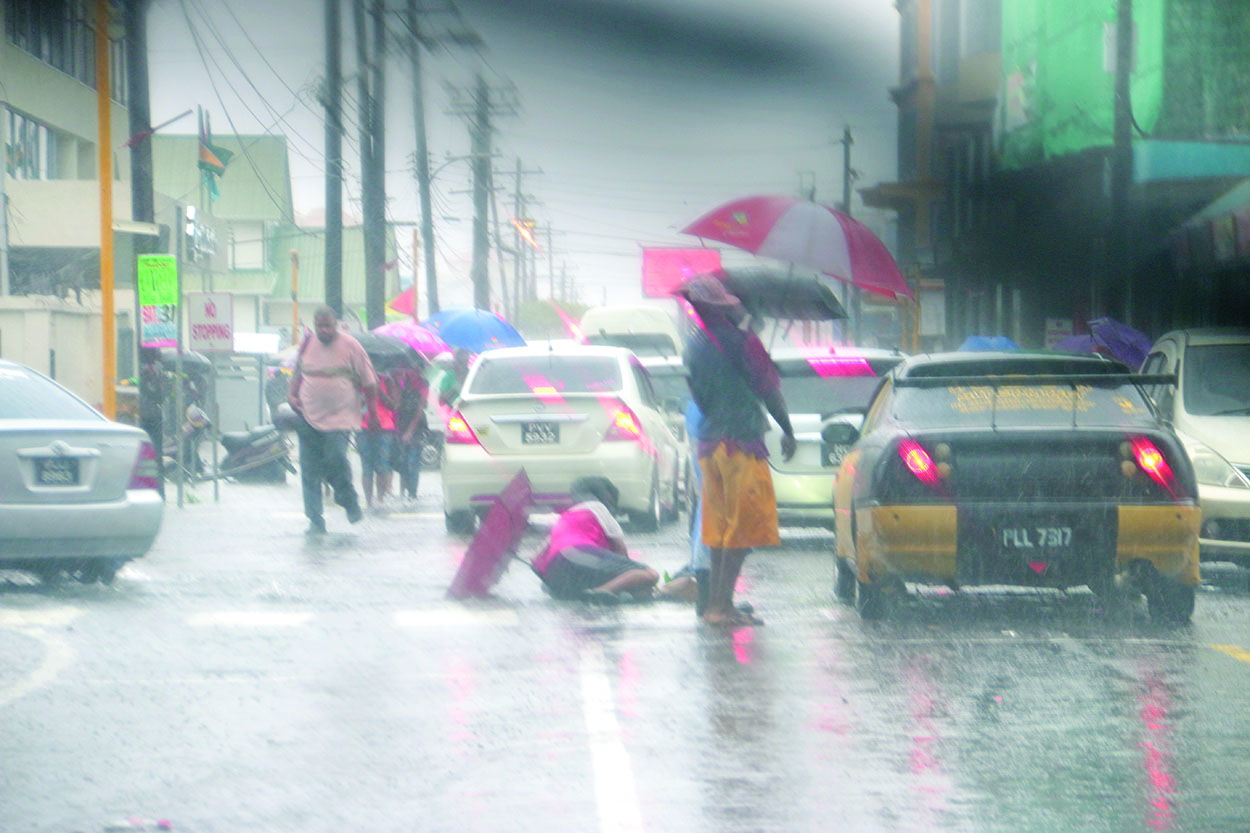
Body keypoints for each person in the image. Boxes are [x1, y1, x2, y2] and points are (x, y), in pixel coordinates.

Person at [678, 275, 796, 627]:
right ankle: (720, 607)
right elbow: (769, 391)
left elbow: (700, 395)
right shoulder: (745, 343)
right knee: (744, 530)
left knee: (720, 529)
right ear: (722, 308)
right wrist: (787, 430)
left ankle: (718, 604)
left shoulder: (695, 344)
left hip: (710, 445)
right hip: (740, 445)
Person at [287, 306, 378, 534]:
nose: (324, 330)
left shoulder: (351, 346)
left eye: (328, 325)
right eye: (320, 326)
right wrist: (291, 395)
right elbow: (298, 372)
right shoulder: (307, 343)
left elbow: (369, 382)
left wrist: (374, 414)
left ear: (335, 324)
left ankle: (347, 500)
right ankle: (315, 519)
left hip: (341, 418)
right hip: (308, 415)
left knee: (335, 458)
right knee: (309, 468)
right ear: (315, 325)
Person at [531, 477, 659, 603]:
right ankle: (601, 592)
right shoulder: (597, 507)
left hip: (558, 576)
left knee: (638, 586)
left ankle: (600, 591)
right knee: (648, 574)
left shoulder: (565, 517)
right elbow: (620, 550)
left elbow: (535, 559)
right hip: (578, 553)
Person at [357, 368, 399, 509]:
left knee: (382, 465)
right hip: (363, 427)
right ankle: (369, 502)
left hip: (384, 428)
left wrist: (377, 389)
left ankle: (380, 500)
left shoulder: (387, 381)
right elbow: (354, 404)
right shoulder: (358, 381)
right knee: (366, 466)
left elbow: (393, 405)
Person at [390, 365, 429, 501]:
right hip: (401, 423)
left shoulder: (423, 384)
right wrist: (398, 384)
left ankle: (413, 494)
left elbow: (419, 411)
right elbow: (396, 404)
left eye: (415, 369)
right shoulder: (402, 382)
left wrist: (409, 433)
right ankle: (404, 492)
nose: (412, 371)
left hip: (417, 427)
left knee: (414, 461)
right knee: (404, 461)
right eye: (410, 368)